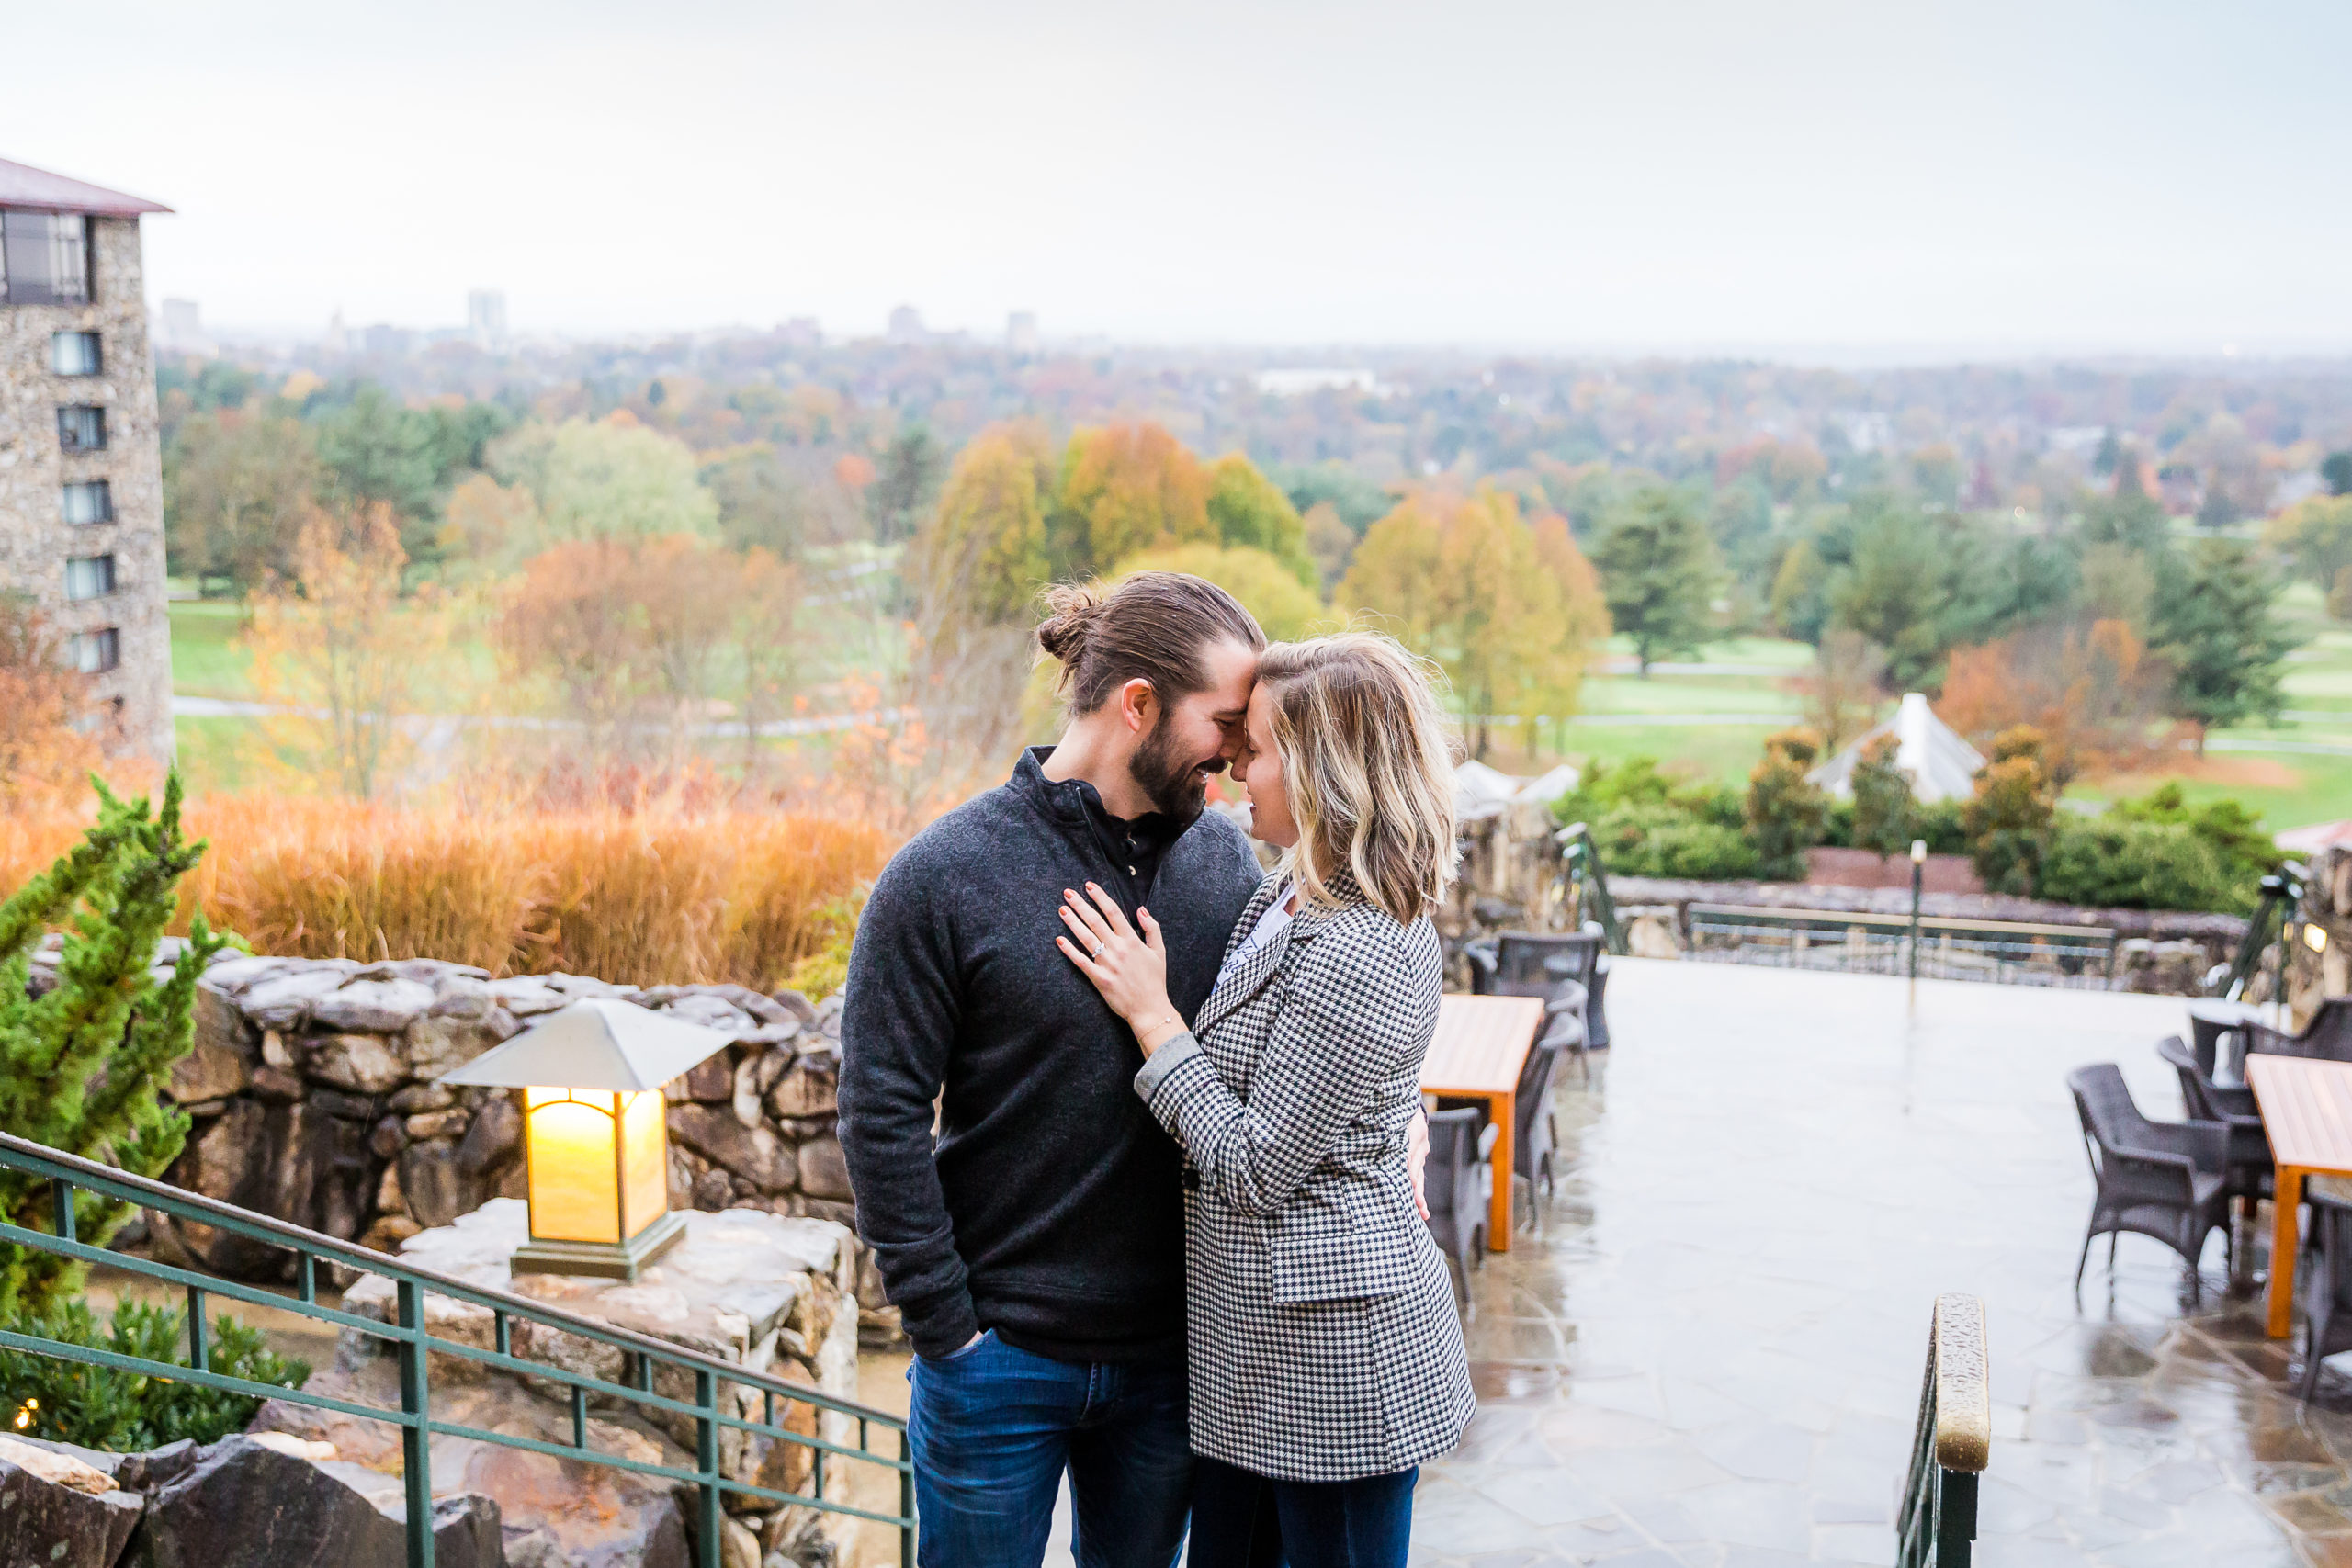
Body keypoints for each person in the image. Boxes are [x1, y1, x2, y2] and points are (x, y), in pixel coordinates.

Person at [838, 572, 1269, 1567]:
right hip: (997, 1362)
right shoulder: (940, 875)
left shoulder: (1229, 867)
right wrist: (946, 1327)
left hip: (1172, 1360)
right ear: (1138, 706)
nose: (1242, 756)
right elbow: (878, 1114)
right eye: (1227, 724)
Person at [1054, 630, 1475, 1568]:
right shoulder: (1290, 891)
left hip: (1334, 1361)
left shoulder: (1362, 940)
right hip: (1256, 1348)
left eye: (1259, 747)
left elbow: (1251, 1167)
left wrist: (1153, 1020)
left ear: (1327, 770)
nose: (1235, 764)